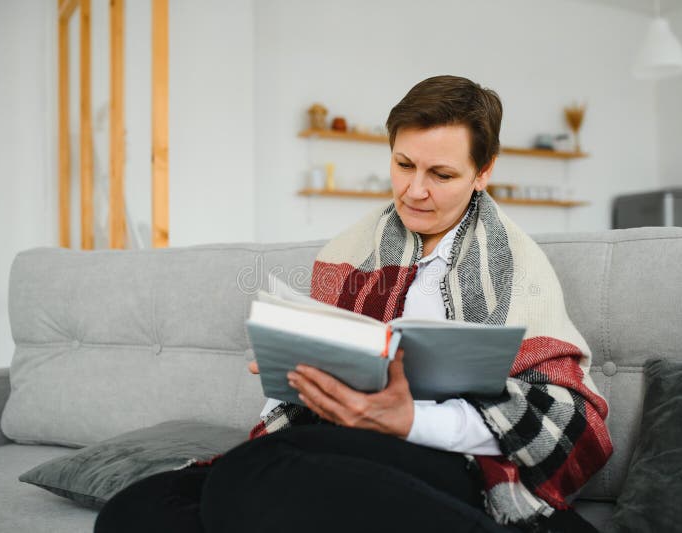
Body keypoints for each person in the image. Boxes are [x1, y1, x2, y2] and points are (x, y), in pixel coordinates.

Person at [94, 75, 612, 533]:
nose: (414, 190)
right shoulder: (350, 253)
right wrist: (293, 372)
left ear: (483, 172)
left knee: (247, 478)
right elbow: (300, 404)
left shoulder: (516, 266)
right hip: (340, 447)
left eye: (442, 175)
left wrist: (407, 420)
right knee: (134, 511)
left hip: (449, 462)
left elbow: (567, 416)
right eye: (403, 164)